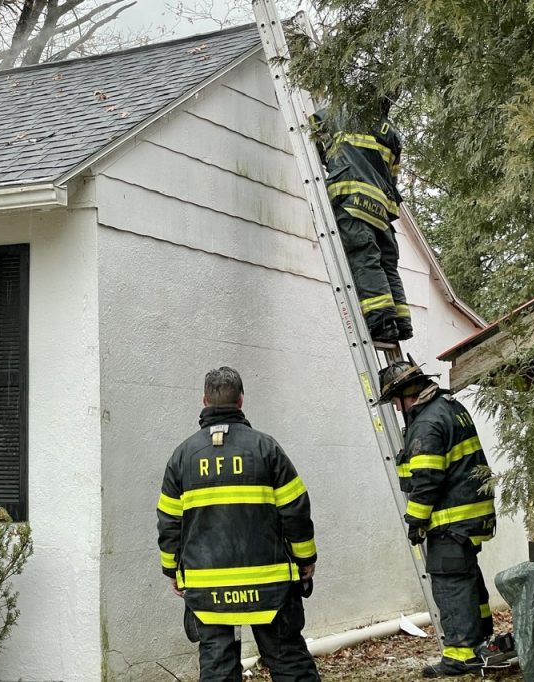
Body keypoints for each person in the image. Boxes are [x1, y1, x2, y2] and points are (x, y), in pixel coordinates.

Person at [157, 367, 320, 681]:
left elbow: (169, 522)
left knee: (218, 668)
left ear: (204, 400)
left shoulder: (183, 456)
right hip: (269, 584)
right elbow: (296, 511)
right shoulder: (266, 448)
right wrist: (305, 560)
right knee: (288, 660)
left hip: (208, 588)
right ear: (241, 400)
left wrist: (172, 570)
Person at [379, 357, 497, 678]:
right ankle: (481, 642)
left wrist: (416, 522)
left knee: (450, 584)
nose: (397, 408)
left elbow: (428, 478)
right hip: (471, 514)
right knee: (467, 578)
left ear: (407, 394)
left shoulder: (427, 422)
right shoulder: (451, 407)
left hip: (450, 519)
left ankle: (461, 656)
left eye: (395, 402)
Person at [310, 96, 412, 343]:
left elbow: (311, 132)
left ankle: (382, 322)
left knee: (364, 258)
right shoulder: (392, 134)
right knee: (386, 265)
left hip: (353, 198)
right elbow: (392, 178)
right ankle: (401, 322)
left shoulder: (339, 112)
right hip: (382, 209)